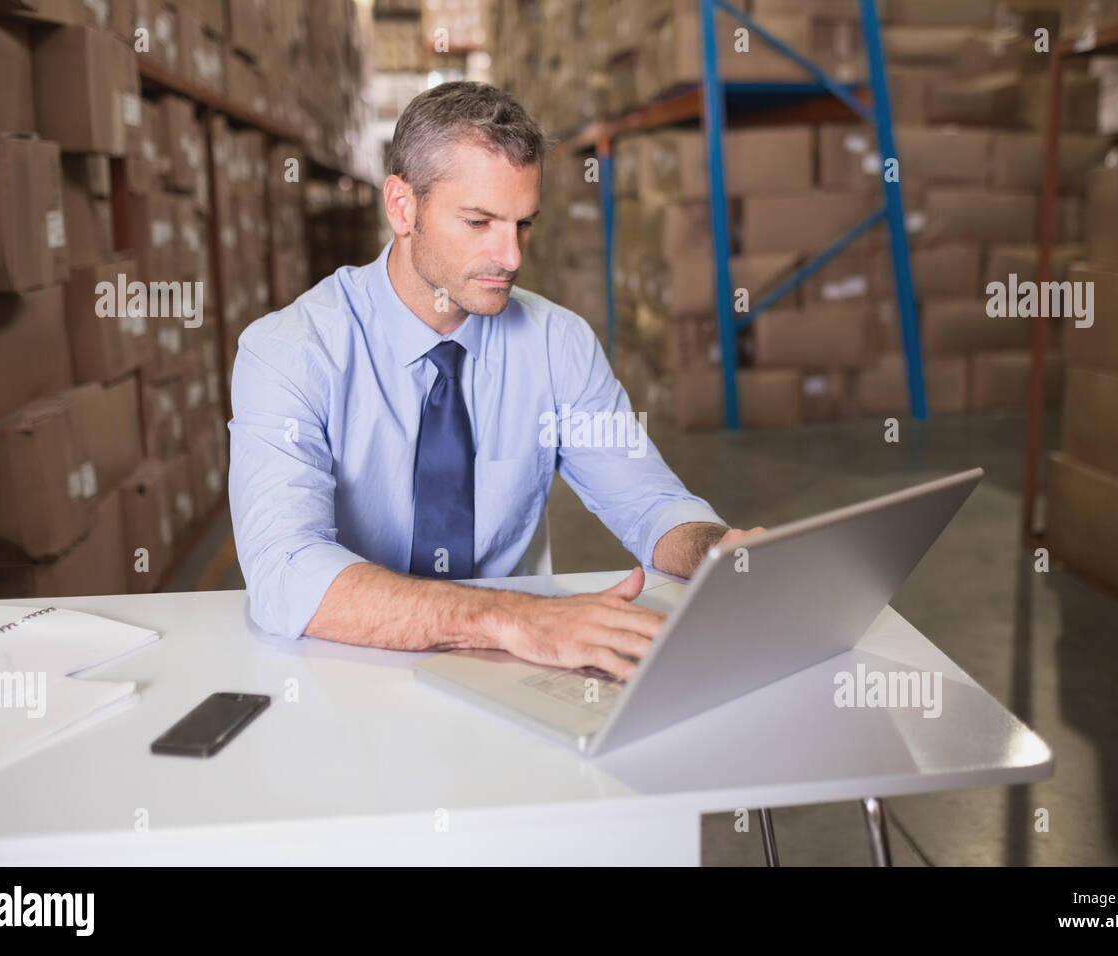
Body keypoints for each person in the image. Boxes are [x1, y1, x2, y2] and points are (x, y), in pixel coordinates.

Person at [228, 81, 762, 680]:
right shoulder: (291, 351)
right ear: (402, 207)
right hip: (350, 662)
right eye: (480, 222)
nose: (510, 256)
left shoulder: (557, 343)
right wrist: (514, 619)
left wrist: (716, 549)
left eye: (523, 224)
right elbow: (284, 570)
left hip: (511, 666)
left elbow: (648, 504)